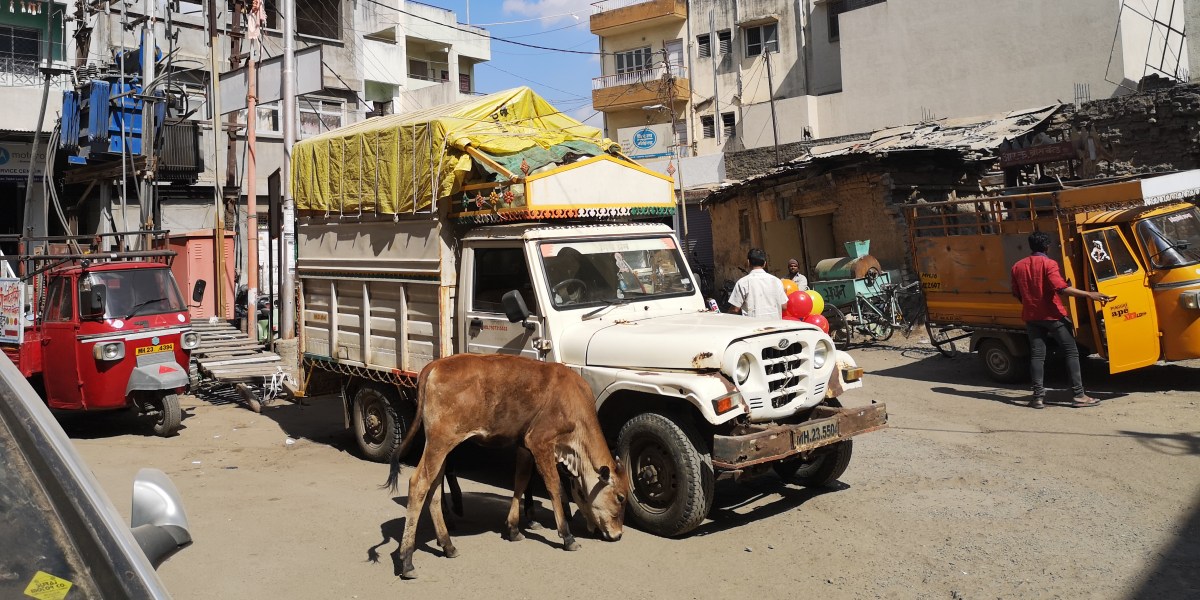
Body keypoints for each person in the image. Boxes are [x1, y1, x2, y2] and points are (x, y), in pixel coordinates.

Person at [1010, 231, 1113, 409]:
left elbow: (1016, 293)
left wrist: (1031, 304)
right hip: (1053, 315)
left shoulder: (1017, 266)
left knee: (1037, 356)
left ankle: (1038, 398)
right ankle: (1078, 395)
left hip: (1032, 317)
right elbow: (1061, 288)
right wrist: (1090, 294)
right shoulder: (1049, 264)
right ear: (1047, 247)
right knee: (1071, 351)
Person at [728, 248, 788, 319]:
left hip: (753, 325)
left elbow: (735, 309)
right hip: (775, 324)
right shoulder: (777, 281)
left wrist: (725, 316)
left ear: (748, 262)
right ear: (765, 263)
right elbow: (784, 306)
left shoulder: (742, 282)